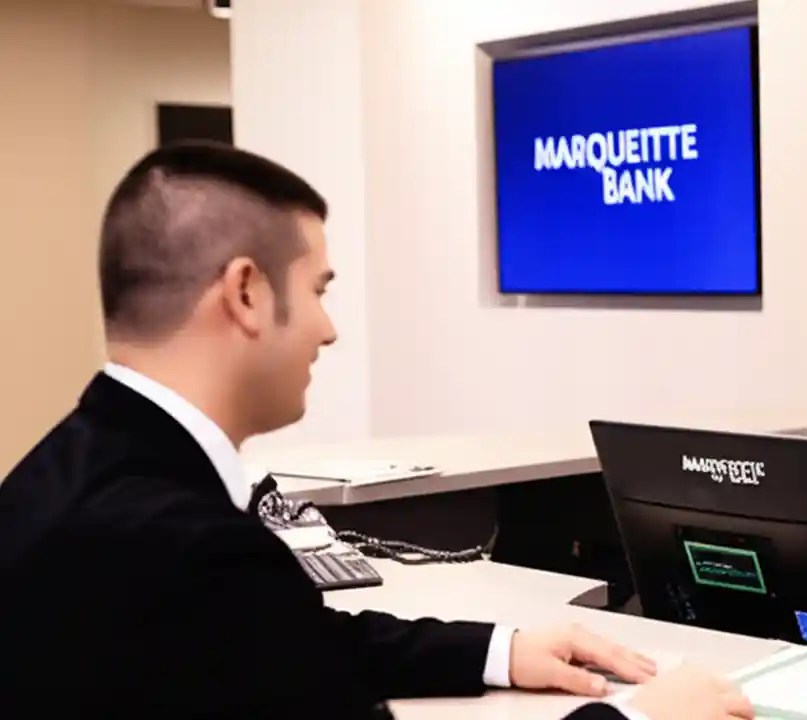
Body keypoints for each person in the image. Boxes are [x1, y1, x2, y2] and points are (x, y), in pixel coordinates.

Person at [0, 142, 754, 720]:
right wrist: (637, 716)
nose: (328, 331)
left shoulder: (65, 475)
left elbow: (287, 649)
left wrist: (502, 650)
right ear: (247, 293)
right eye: (319, 291)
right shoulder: (184, 546)